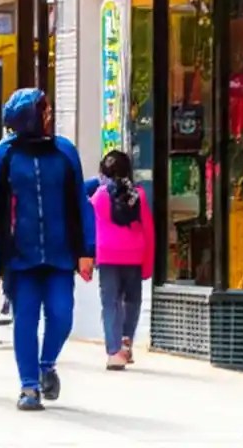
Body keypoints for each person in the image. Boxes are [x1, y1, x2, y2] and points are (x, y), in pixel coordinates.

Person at [0, 88, 95, 411]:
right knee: (25, 319)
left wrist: (87, 249)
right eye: (43, 112)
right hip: (20, 257)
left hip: (60, 255)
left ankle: (47, 364)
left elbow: (80, 204)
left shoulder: (65, 152)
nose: (49, 117)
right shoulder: (4, 155)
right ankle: (29, 386)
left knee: (62, 315)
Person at [91, 149, 153, 370]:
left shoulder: (98, 196)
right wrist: (148, 264)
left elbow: (90, 228)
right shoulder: (139, 195)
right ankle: (126, 341)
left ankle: (114, 351)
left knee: (110, 303)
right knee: (132, 301)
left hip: (107, 255)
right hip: (134, 255)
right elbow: (148, 230)